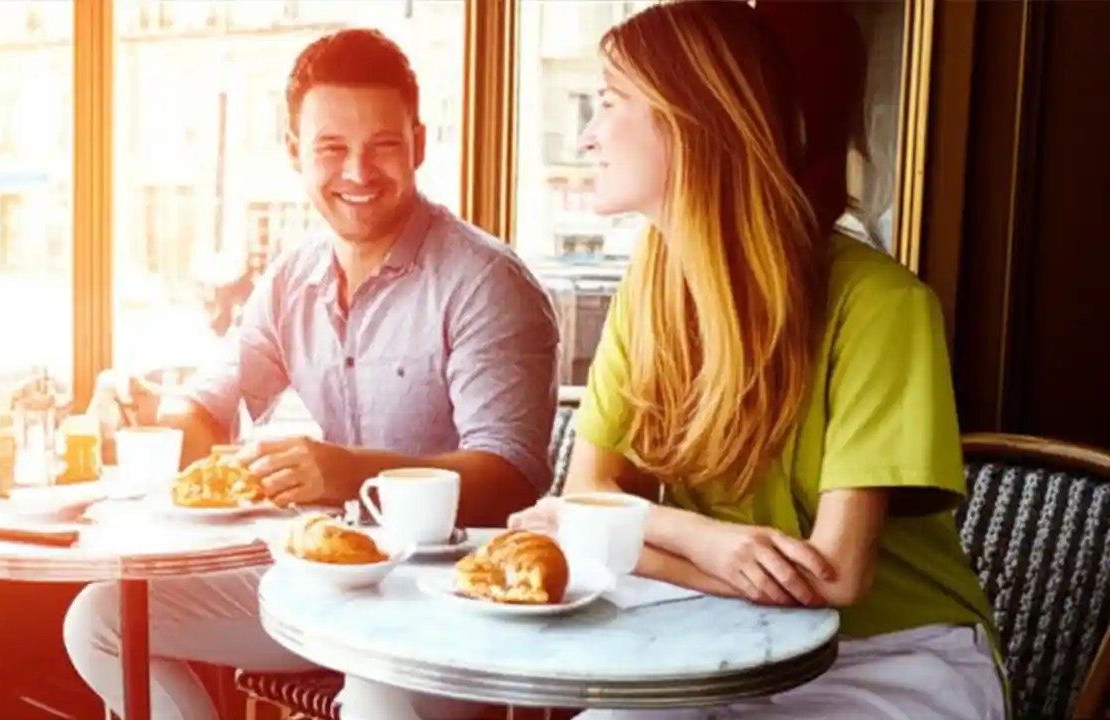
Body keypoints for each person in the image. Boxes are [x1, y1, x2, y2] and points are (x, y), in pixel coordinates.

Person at [508, 2, 1007, 718]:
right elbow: (584, 499)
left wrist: (624, 532)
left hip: (889, 657)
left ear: (692, 119)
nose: (588, 136)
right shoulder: (645, 295)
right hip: (710, 638)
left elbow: (833, 577)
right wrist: (701, 538)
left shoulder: (882, 306)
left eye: (610, 102)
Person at [65, 28, 559, 720]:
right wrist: (146, 409)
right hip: (331, 574)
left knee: (374, 695)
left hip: (457, 598)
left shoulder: (484, 282)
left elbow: (510, 478)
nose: (357, 172)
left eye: (383, 146)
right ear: (296, 154)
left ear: (418, 144)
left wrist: (350, 471)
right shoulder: (291, 276)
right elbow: (207, 414)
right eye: (332, 148)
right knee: (101, 620)